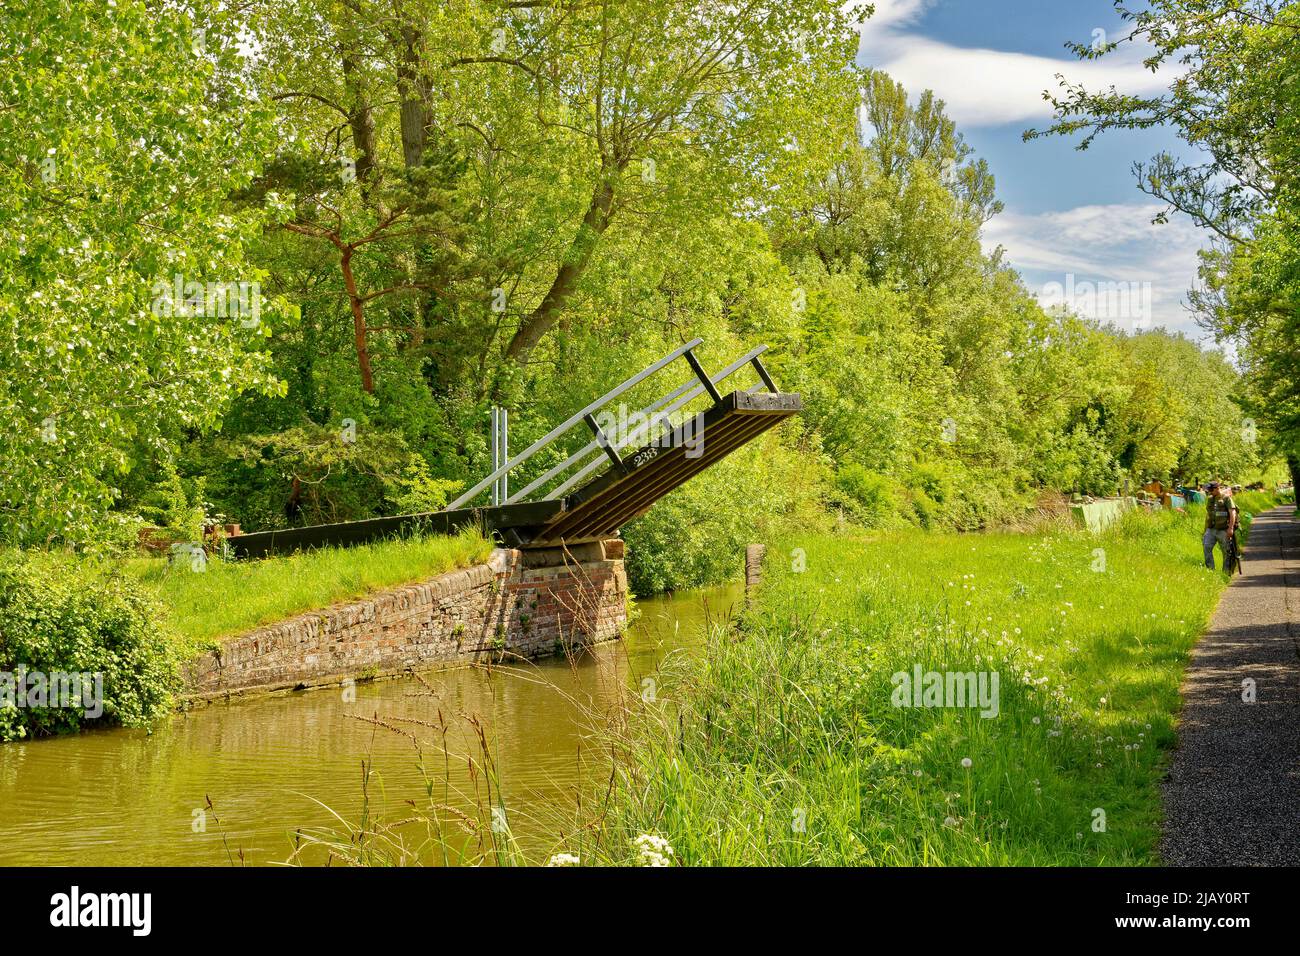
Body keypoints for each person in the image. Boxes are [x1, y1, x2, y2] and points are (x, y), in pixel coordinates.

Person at [1203, 481, 1239, 571]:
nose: (1210, 491)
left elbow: (1232, 513)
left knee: (1226, 552)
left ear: (1217, 488)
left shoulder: (1226, 498)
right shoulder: (1210, 499)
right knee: (1206, 547)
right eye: (1209, 490)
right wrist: (1205, 530)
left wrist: (1230, 529)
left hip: (1223, 530)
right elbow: (1208, 515)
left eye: (1211, 489)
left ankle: (1226, 573)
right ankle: (1210, 570)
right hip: (1211, 529)